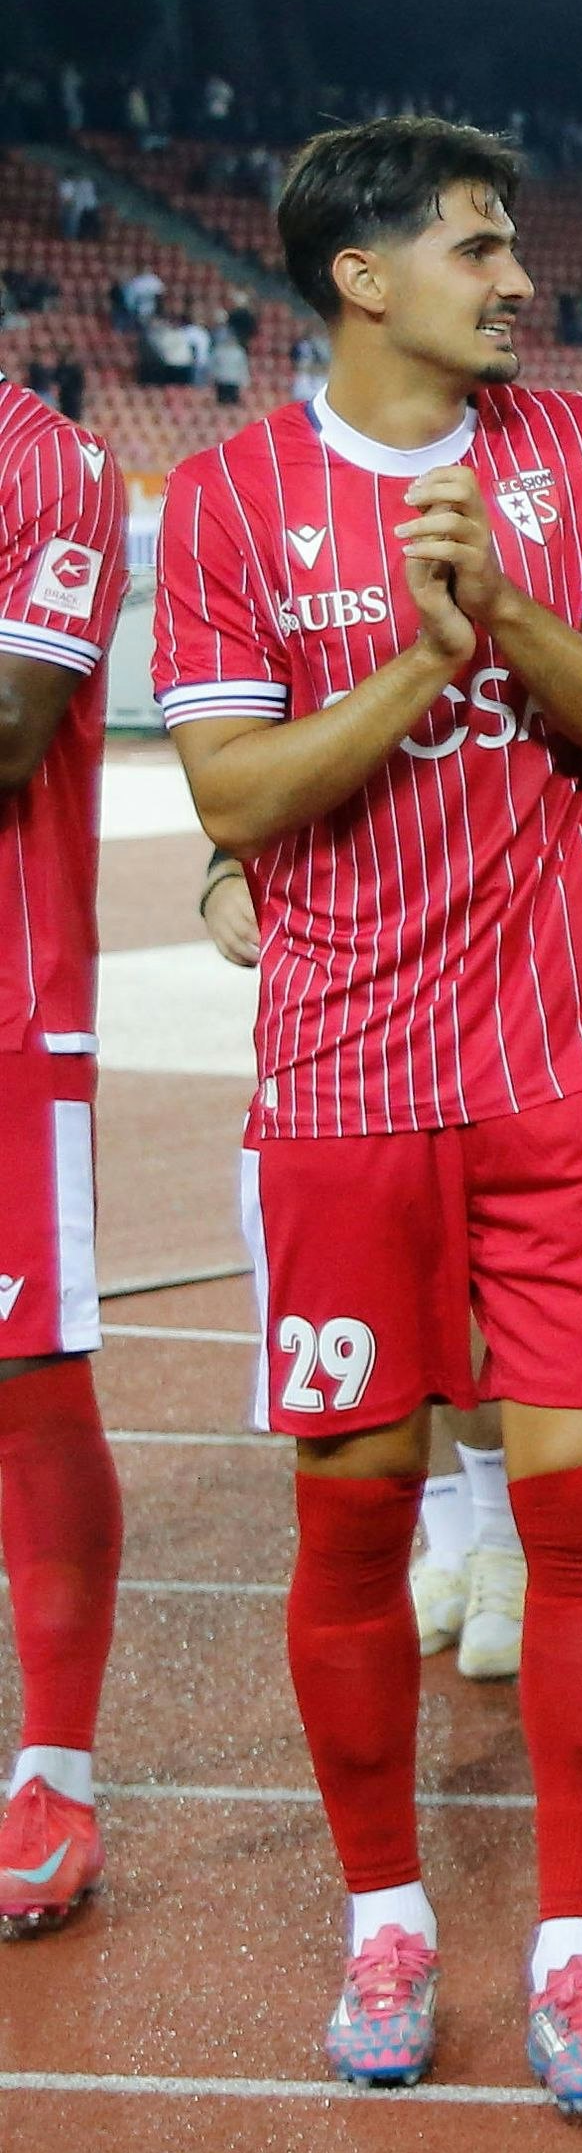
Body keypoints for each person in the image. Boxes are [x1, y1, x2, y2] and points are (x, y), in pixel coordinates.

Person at [154, 115, 582, 2113]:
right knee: (359, 1515)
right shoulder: (223, 498)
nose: (516, 276)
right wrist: (418, 661)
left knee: (577, 1520)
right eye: (475, 246)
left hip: (569, 1067)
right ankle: (386, 1917)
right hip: (348, 1087)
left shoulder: (577, 455)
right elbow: (234, 799)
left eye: (514, 241)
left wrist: (514, 628)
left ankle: (572, 1946)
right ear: (358, 276)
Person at [205, 775, 582, 1688]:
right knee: (391, 1333)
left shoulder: (555, 633)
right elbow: (266, 771)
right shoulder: (323, 641)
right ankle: (449, 1540)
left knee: (493, 1322)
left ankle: (504, 1549)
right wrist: (220, 879)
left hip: (532, 1031)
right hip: (364, 1030)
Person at [0, 374, 128, 1938]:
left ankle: (55, 1771)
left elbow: (11, 727)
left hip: (10, 1011)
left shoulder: (48, 465)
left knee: (30, 1391)